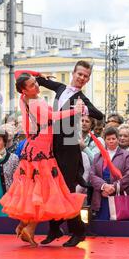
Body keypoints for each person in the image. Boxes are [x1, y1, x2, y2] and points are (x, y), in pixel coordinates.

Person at [0, 72, 89, 247]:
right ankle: (28, 227)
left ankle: (26, 225)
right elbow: (52, 117)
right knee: (44, 189)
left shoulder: (23, 100)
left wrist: (38, 75)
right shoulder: (37, 102)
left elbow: (21, 76)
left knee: (33, 187)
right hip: (41, 148)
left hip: (32, 145)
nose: (37, 86)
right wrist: (75, 110)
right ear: (24, 91)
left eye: (35, 83)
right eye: (32, 85)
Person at [32, 61, 105, 247]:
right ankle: (55, 228)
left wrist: (83, 109)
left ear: (88, 79)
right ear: (73, 73)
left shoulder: (81, 98)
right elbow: (38, 81)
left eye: (85, 76)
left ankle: (78, 231)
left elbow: (99, 115)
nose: (81, 78)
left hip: (70, 145)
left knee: (67, 191)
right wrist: (38, 77)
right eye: (79, 74)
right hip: (53, 144)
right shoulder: (60, 87)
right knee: (51, 188)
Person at [90, 127, 129, 219]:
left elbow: (128, 176)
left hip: (118, 195)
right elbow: (92, 175)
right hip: (101, 195)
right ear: (105, 140)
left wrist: (112, 188)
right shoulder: (97, 156)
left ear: (118, 139)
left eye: (113, 139)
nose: (111, 141)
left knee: (117, 227)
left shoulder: (127, 155)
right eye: (108, 139)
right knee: (101, 227)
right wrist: (104, 186)